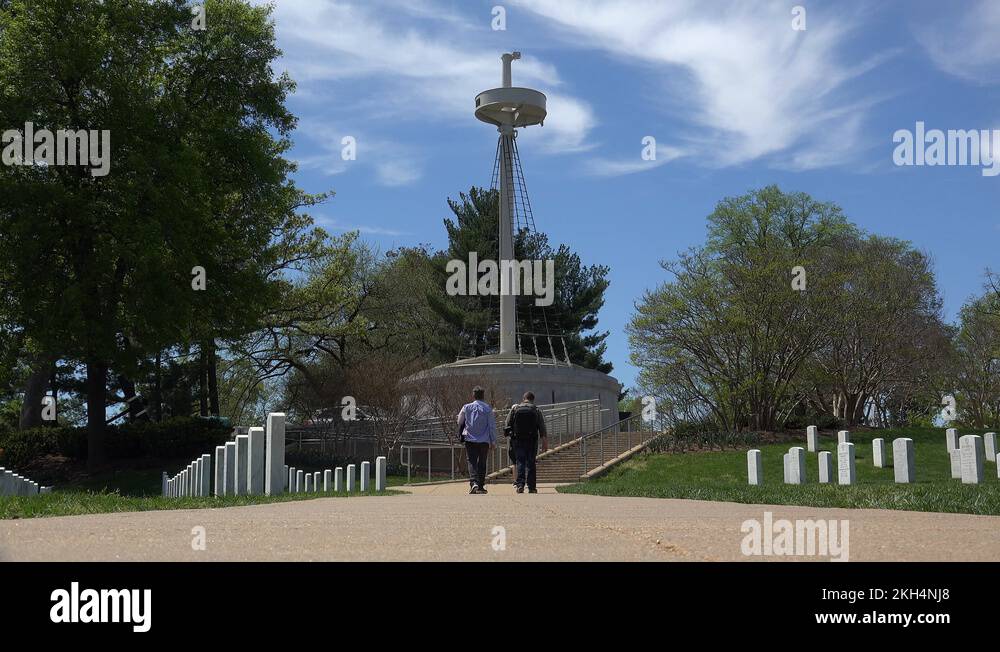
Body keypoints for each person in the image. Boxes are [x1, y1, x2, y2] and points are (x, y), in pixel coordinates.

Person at [504, 392, 548, 493]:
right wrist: (544, 441)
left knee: (520, 462)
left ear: (523, 398)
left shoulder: (515, 409)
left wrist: (508, 434)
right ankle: (532, 487)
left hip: (518, 440)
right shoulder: (536, 409)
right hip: (532, 440)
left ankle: (520, 485)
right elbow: (542, 427)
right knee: (531, 462)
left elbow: (507, 424)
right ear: (533, 399)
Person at [457, 386, 496, 494]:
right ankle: (481, 486)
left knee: (472, 461)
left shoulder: (466, 407)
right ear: (483, 396)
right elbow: (492, 426)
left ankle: (473, 482)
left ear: (473, 395)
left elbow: (459, 421)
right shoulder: (488, 409)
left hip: (470, 439)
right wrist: (493, 441)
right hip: (484, 440)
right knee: (482, 463)